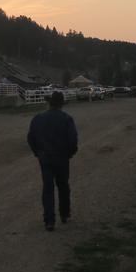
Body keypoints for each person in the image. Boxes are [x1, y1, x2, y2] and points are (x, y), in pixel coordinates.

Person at [27, 91, 78, 231]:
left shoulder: (38, 118)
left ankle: (49, 220)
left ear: (49, 103)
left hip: (45, 158)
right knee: (63, 186)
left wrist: (38, 153)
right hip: (62, 158)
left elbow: (31, 138)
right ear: (62, 104)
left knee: (48, 188)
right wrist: (70, 153)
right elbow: (73, 140)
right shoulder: (67, 119)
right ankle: (65, 214)